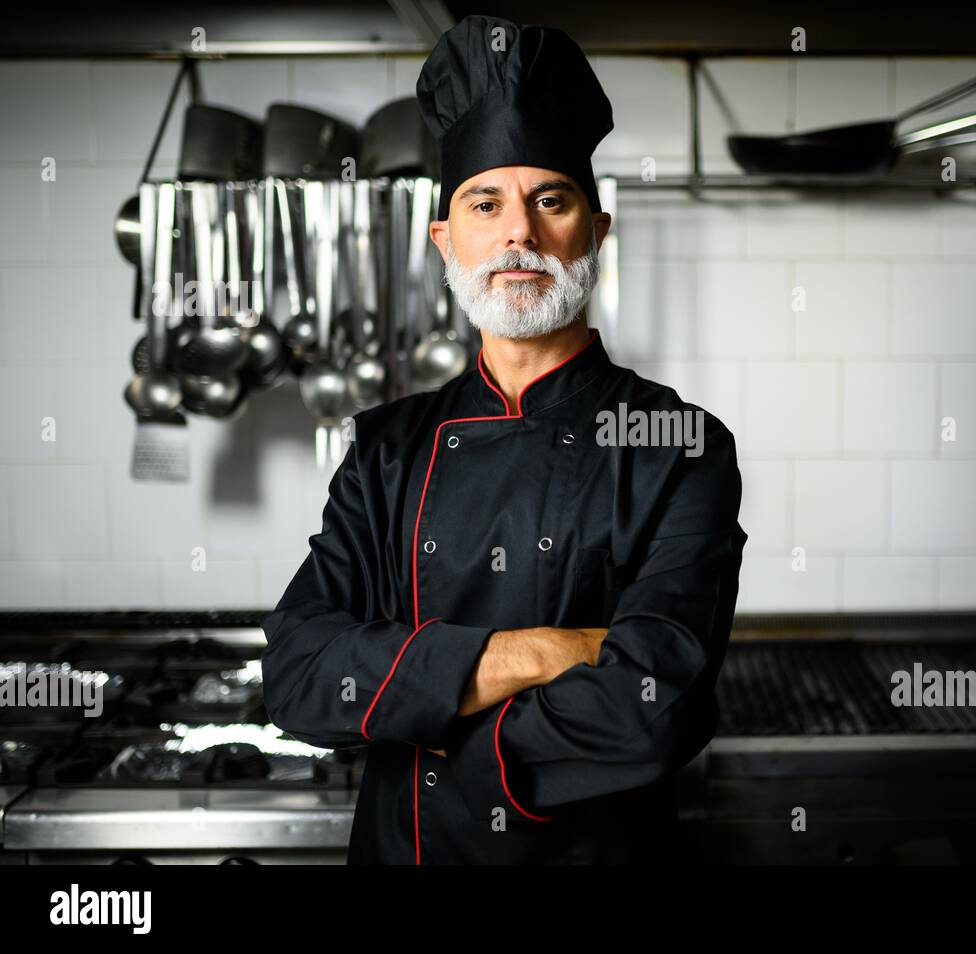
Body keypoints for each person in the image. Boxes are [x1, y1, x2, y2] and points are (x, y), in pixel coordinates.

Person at [260, 14, 747, 864]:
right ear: (448, 240)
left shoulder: (677, 446)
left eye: (549, 200)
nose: (518, 232)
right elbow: (301, 672)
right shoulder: (385, 448)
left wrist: (426, 719)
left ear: (595, 232)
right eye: (486, 203)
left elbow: (653, 704)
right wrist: (547, 652)